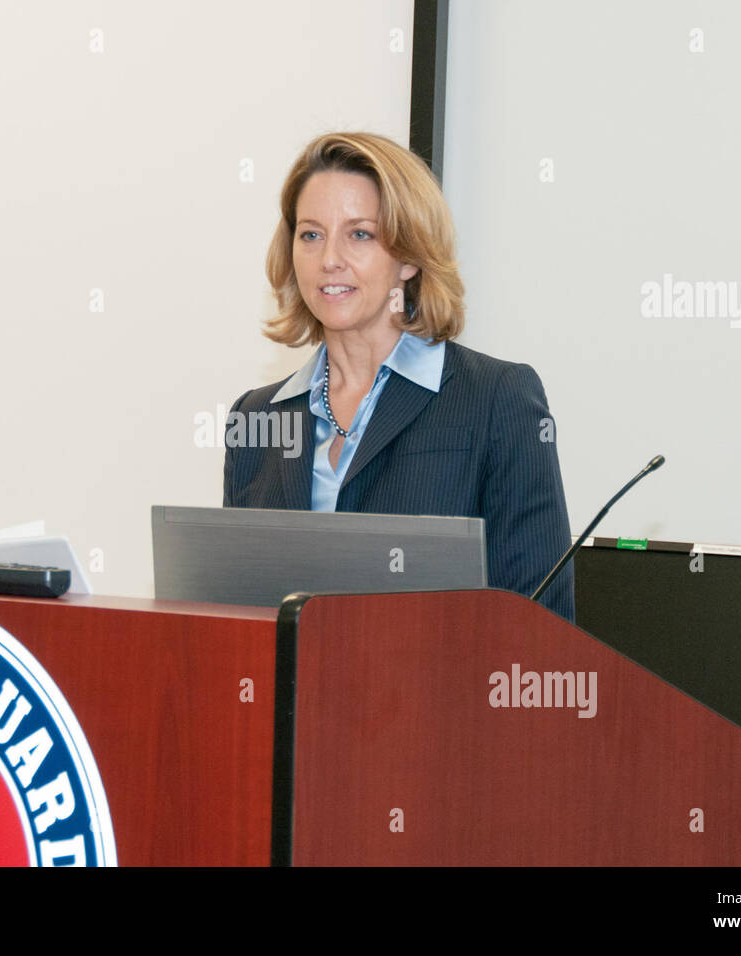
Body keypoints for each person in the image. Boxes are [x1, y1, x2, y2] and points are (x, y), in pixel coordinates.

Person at [223, 131, 575, 622]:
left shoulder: (497, 399)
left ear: (409, 257)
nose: (329, 260)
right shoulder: (256, 417)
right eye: (311, 234)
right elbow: (236, 615)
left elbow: (540, 629)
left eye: (360, 234)